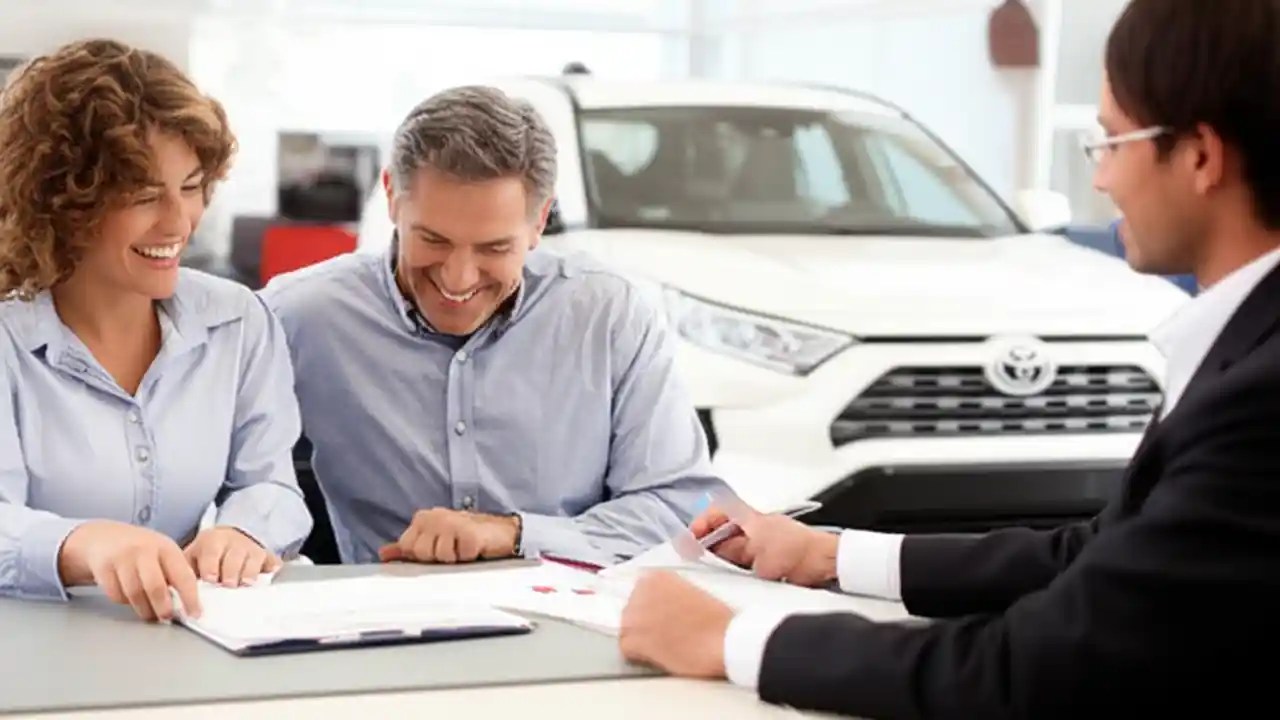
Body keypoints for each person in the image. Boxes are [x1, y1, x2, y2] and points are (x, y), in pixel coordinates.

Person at [617, 1, 1280, 716]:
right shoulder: (1248, 345)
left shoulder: (1260, 399)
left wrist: (731, 639)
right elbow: (1095, 556)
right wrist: (828, 554)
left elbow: (1037, 669)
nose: (1100, 179)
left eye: (1111, 142)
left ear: (1201, 156)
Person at [261, 85, 722, 567]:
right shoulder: (299, 315)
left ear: (539, 221)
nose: (458, 278)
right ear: (393, 197)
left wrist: (515, 534)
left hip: (573, 605)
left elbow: (681, 507)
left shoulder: (609, 317)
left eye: (494, 248)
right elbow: (231, 475)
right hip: (386, 610)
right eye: (433, 240)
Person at [0, 39, 312, 622]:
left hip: (185, 638)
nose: (178, 222)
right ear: (63, 203)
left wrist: (244, 532)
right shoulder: (8, 338)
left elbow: (271, 485)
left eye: (191, 187)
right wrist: (83, 545)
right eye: (144, 196)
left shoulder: (237, 320)